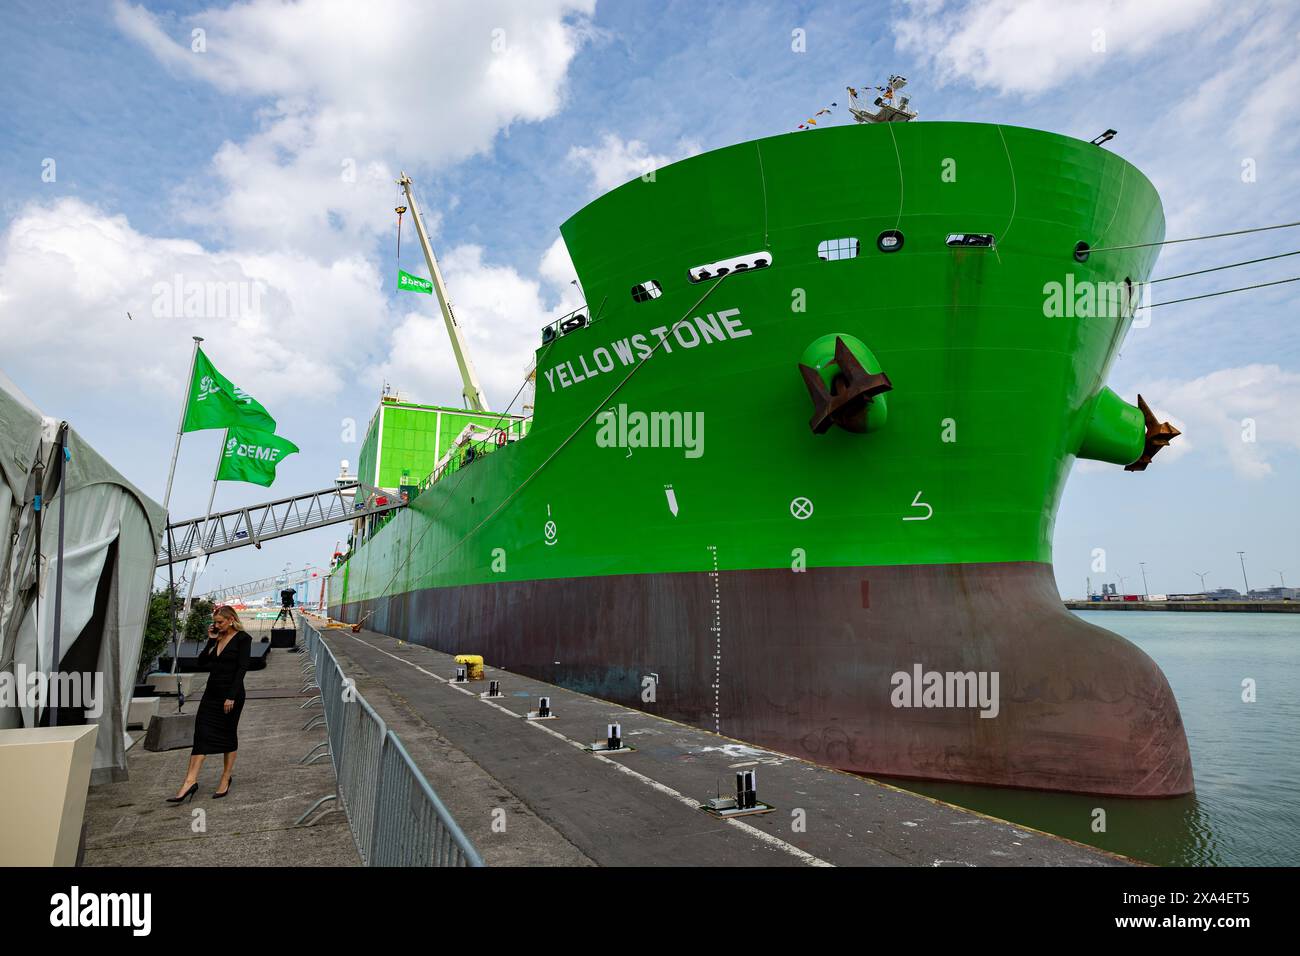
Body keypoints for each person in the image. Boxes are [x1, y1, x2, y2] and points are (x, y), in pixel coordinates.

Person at [167, 605, 251, 802]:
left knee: (228, 734)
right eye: (215, 622)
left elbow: (242, 668)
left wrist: (231, 696)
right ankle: (190, 781)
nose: (217, 625)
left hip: (231, 695)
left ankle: (225, 777)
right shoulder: (217, 638)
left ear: (231, 619)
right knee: (201, 734)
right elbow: (202, 663)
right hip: (211, 694)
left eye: (220, 622)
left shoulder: (243, 639)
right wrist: (210, 642)